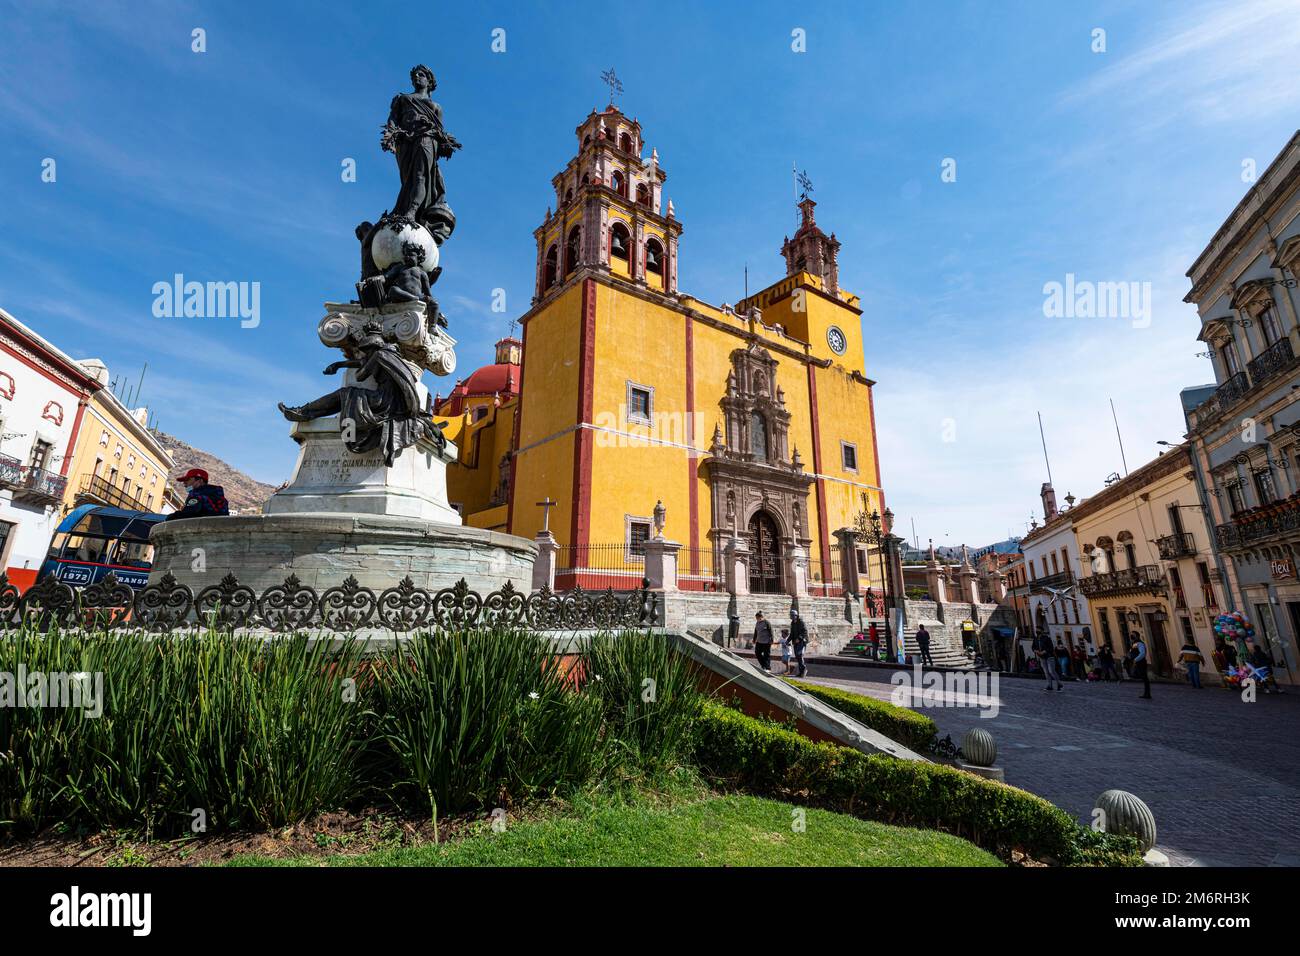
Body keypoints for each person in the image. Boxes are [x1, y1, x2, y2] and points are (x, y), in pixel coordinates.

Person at [164, 468, 229, 521]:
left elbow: (188, 514)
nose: (184, 483)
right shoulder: (222, 500)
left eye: (188, 480)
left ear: (200, 481)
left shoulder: (197, 495)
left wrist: (171, 517)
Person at [1130, 633, 1151, 699]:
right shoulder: (1135, 644)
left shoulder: (1139, 643)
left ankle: (1147, 694)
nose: (1131, 636)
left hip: (1141, 662)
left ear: (1137, 636)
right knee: (1143, 677)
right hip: (1138, 662)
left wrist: (1135, 660)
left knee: (1144, 678)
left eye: (1133, 635)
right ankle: (1146, 693)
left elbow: (1142, 653)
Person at [789, 609, 810, 678]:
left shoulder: (801, 622)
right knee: (797, 656)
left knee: (799, 654)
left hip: (802, 641)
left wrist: (799, 638)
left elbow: (804, 631)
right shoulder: (792, 623)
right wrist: (787, 641)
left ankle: (804, 670)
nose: (791, 617)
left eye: (793, 615)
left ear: (796, 616)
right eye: (791, 615)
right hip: (795, 641)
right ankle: (801, 672)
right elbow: (792, 634)